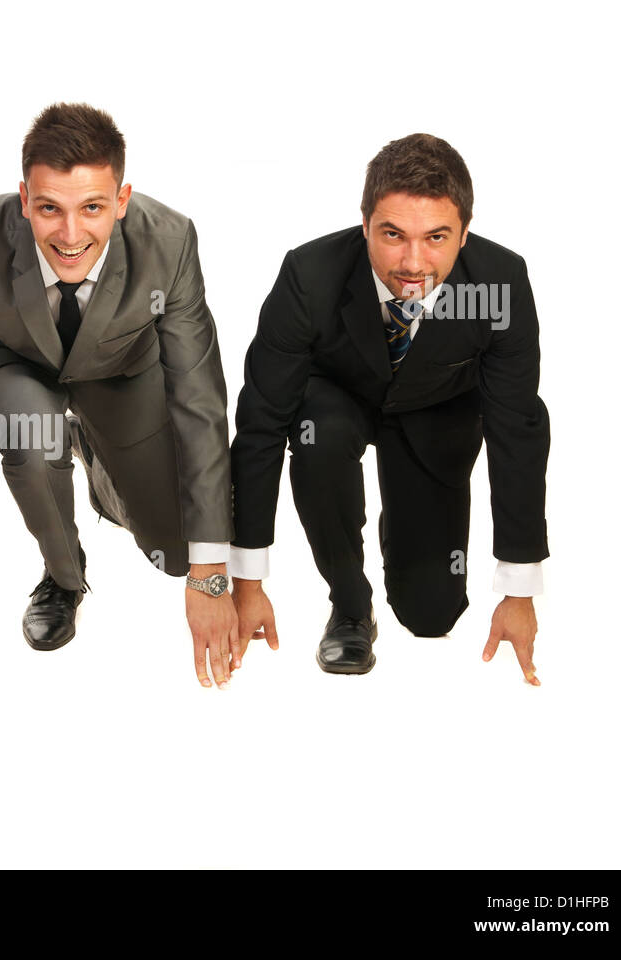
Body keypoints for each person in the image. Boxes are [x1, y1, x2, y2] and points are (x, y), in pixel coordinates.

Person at [0, 103, 239, 687]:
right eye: (50, 209)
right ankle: (64, 578)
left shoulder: (170, 242)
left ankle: (93, 455)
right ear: (25, 200)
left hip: (123, 369)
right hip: (16, 358)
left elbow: (200, 400)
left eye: (92, 208)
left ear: (121, 202)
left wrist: (211, 573)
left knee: (176, 557)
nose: (71, 236)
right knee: (30, 438)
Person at [229, 134, 549, 682]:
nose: (413, 262)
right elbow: (260, 424)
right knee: (315, 436)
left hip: (437, 413)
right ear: (365, 223)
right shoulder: (309, 277)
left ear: (464, 234)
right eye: (393, 234)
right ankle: (351, 605)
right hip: (337, 400)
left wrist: (519, 589)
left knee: (432, 615)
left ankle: (402, 526)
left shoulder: (501, 283)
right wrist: (246, 581)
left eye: (436, 238)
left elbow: (516, 428)